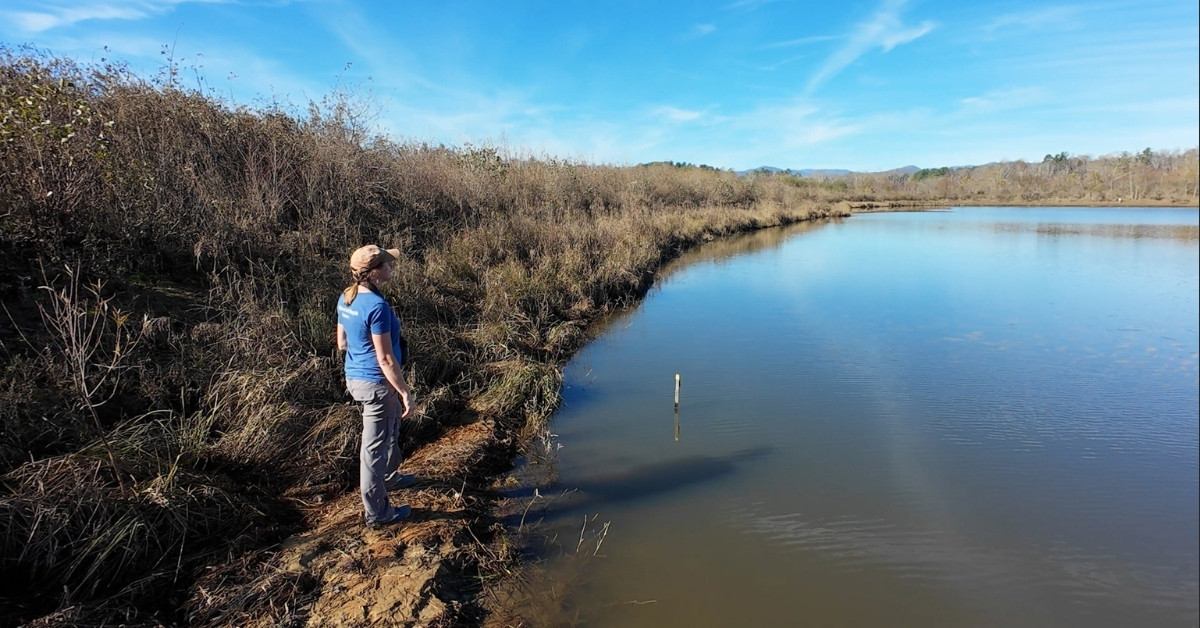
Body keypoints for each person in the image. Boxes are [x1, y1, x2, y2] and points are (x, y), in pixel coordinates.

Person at [336, 244, 416, 528]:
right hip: (377, 383)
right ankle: (378, 513)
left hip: (356, 378)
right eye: (386, 263)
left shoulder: (346, 297)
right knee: (373, 450)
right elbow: (384, 358)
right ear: (374, 272)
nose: (390, 267)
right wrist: (405, 392)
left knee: (391, 427)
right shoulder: (377, 306)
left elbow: (342, 343)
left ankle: (391, 477)